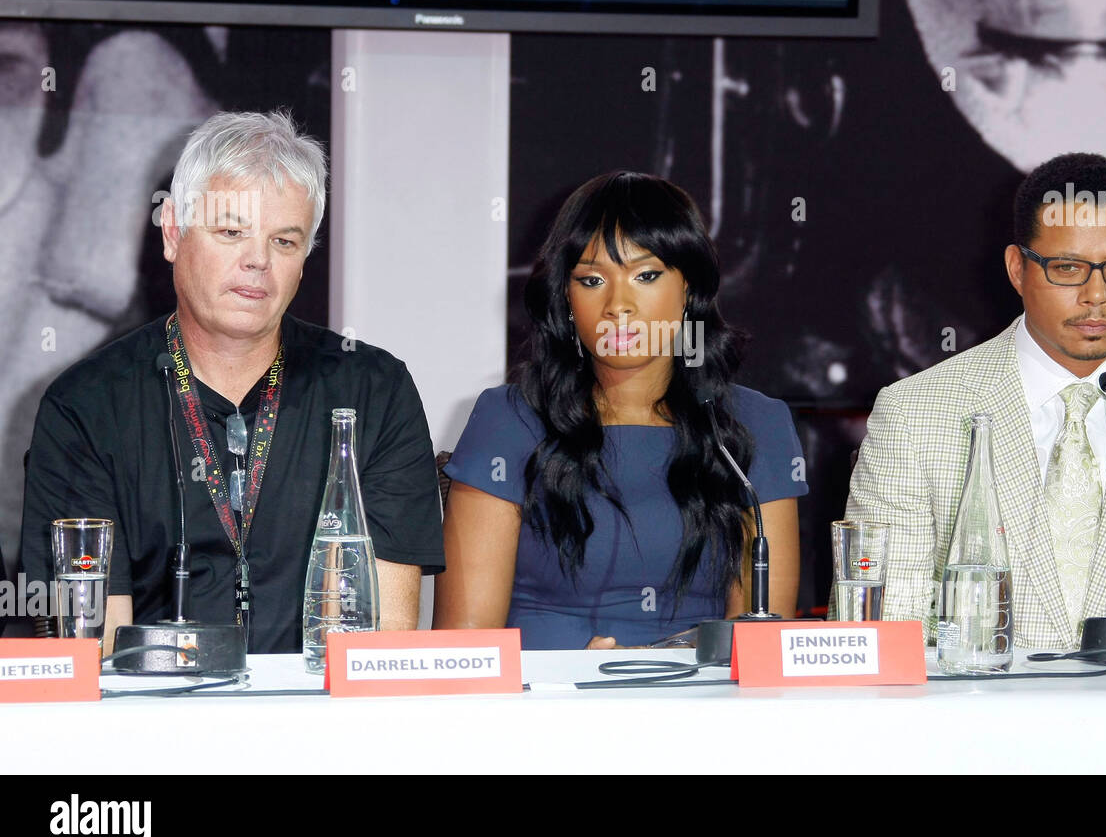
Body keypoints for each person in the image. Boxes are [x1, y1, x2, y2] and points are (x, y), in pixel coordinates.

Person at [20, 111, 443, 653]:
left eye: (284, 243)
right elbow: (91, 655)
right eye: (231, 232)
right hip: (149, 723)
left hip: (325, 723)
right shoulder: (86, 406)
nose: (257, 262)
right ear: (173, 232)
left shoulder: (373, 391)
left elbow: (382, 644)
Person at [846, 153, 1106, 648]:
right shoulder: (915, 414)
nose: (1097, 295)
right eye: (1068, 268)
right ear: (1016, 269)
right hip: (973, 718)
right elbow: (886, 638)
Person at [434, 171, 807, 649]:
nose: (618, 305)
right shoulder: (508, 419)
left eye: (646, 275)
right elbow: (466, 645)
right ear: (566, 300)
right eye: (591, 280)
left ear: (688, 288)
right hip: (542, 708)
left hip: (704, 711)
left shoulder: (754, 426)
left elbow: (762, 641)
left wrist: (653, 665)